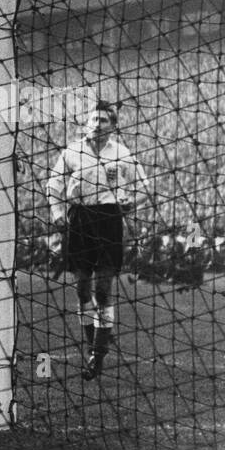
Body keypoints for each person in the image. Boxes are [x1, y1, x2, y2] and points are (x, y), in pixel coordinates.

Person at [46, 102, 150, 379]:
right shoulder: (72, 151)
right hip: (79, 220)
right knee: (82, 289)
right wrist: (58, 215)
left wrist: (129, 203)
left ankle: (97, 355)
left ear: (112, 125)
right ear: (87, 122)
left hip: (108, 220)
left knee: (103, 289)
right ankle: (93, 345)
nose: (97, 123)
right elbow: (54, 186)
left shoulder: (123, 154)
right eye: (93, 118)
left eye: (103, 120)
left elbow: (145, 189)